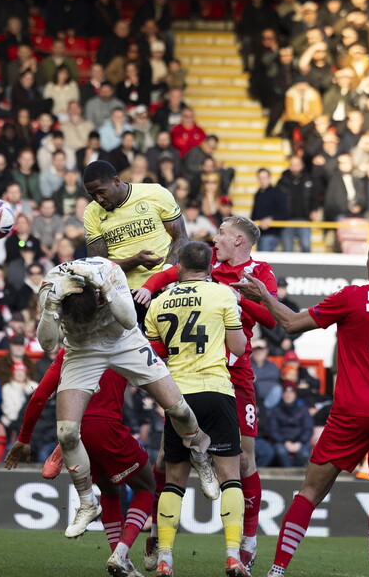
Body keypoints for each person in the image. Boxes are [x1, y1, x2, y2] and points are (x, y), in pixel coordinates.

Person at [233, 237, 369, 577]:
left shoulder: (351, 296)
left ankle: (277, 570)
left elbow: (291, 323)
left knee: (311, 491)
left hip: (351, 413)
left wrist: (265, 297)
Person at [37, 255, 218, 540]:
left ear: (97, 298)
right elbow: (47, 343)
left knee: (178, 408)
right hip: (83, 349)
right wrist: (49, 308)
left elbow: (130, 319)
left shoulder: (109, 273)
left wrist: (108, 291)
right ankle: (86, 502)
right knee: (67, 433)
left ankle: (199, 450)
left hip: (123, 341)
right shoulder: (51, 285)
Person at [136, 216, 278, 570]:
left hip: (234, 374)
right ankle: (157, 531)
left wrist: (241, 299)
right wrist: (147, 286)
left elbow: (273, 318)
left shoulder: (261, 271)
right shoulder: (205, 265)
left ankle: (247, 540)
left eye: (222, 233)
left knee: (244, 458)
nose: (215, 239)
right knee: (163, 461)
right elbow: (168, 275)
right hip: (192, 370)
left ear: (240, 240)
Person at [143, 240, 249, 577]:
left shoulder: (159, 303)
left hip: (177, 396)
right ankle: (233, 556)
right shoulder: (222, 295)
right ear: (209, 266)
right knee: (230, 476)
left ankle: (164, 559)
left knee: (174, 480)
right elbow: (238, 347)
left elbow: (155, 354)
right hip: (216, 392)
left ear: (178, 265)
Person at [5, 347, 158, 577]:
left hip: (77, 436)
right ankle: (121, 553)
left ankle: (122, 560)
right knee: (146, 487)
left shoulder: (67, 351)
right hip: (107, 428)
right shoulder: (124, 343)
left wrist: (24, 437)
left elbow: (38, 396)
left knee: (109, 492)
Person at [82, 160, 188, 292]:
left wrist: (167, 272)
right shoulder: (91, 212)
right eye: (92, 195)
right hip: (120, 290)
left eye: (101, 192)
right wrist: (135, 260)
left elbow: (181, 237)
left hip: (162, 286)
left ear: (116, 181)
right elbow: (99, 263)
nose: (98, 199)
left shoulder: (155, 193)